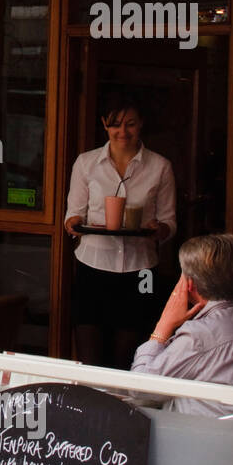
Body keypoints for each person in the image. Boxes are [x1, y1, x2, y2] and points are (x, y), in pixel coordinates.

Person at [64, 92, 177, 369]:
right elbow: (72, 216)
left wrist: (157, 229)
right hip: (92, 267)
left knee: (126, 359)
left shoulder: (160, 167)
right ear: (105, 124)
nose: (122, 131)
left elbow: (169, 223)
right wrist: (75, 224)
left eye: (130, 124)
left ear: (141, 125)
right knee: (90, 360)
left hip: (140, 272)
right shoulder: (86, 163)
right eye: (115, 124)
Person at [129, 233, 233, 417]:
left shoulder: (198, 336)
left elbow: (139, 389)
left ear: (189, 284)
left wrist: (163, 326)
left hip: (196, 438)